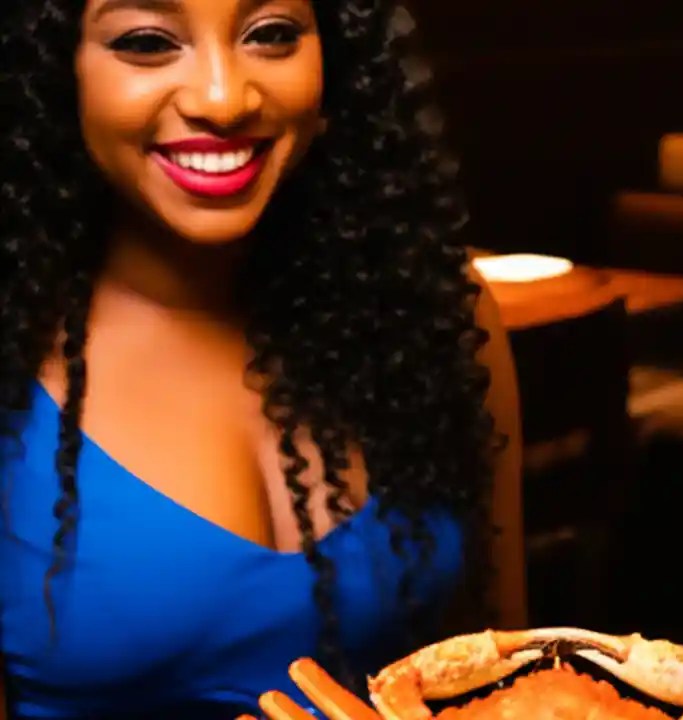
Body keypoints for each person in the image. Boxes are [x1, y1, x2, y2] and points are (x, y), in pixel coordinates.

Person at [0, 0, 524, 717]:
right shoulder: (15, 358)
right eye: (147, 42)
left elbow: (504, 681)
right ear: (53, 72)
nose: (223, 99)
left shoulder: (433, 313)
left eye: (271, 34)